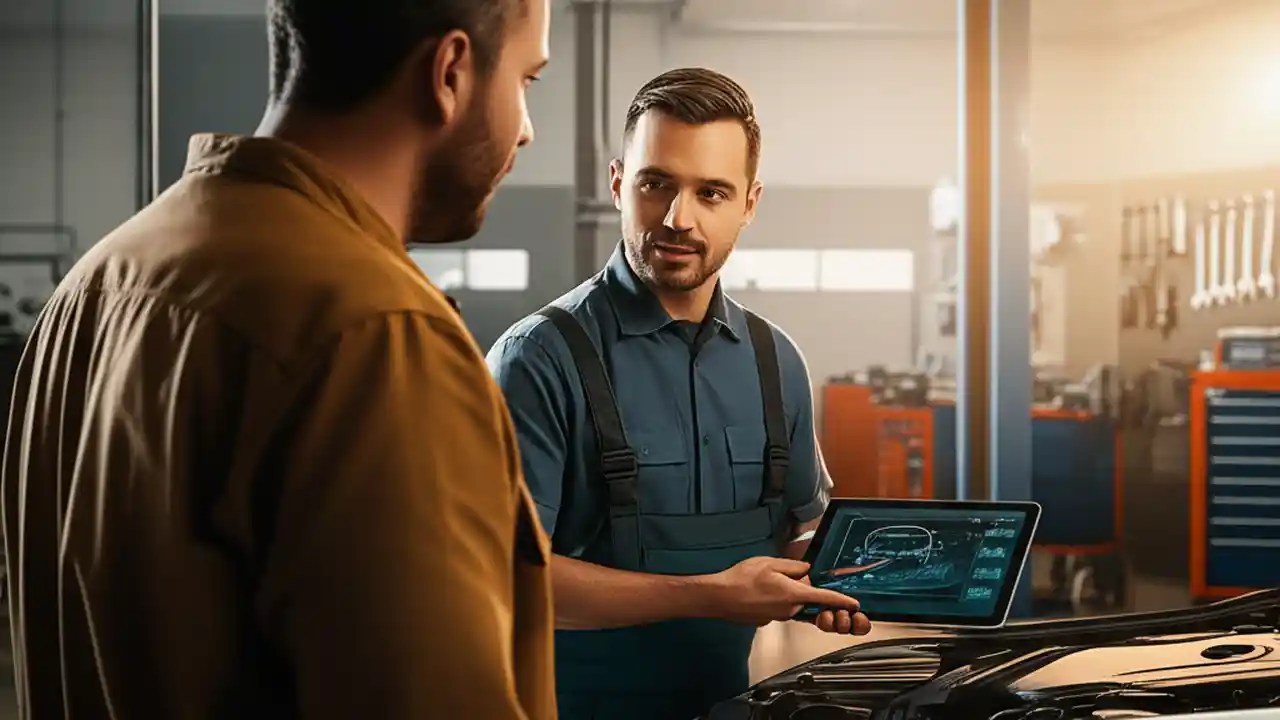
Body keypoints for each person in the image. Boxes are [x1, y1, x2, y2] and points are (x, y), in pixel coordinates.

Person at [1, 1, 554, 718]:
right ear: (448, 72)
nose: (528, 128)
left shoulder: (94, 288)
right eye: (527, 81)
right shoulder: (375, 332)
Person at [487, 67, 873, 720]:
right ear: (618, 183)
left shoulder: (775, 360)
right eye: (655, 184)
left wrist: (834, 581)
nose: (677, 218)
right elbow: (508, 579)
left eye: (711, 193)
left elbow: (803, 525)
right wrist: (711, 595)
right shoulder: (539, 360)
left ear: (749, 203)